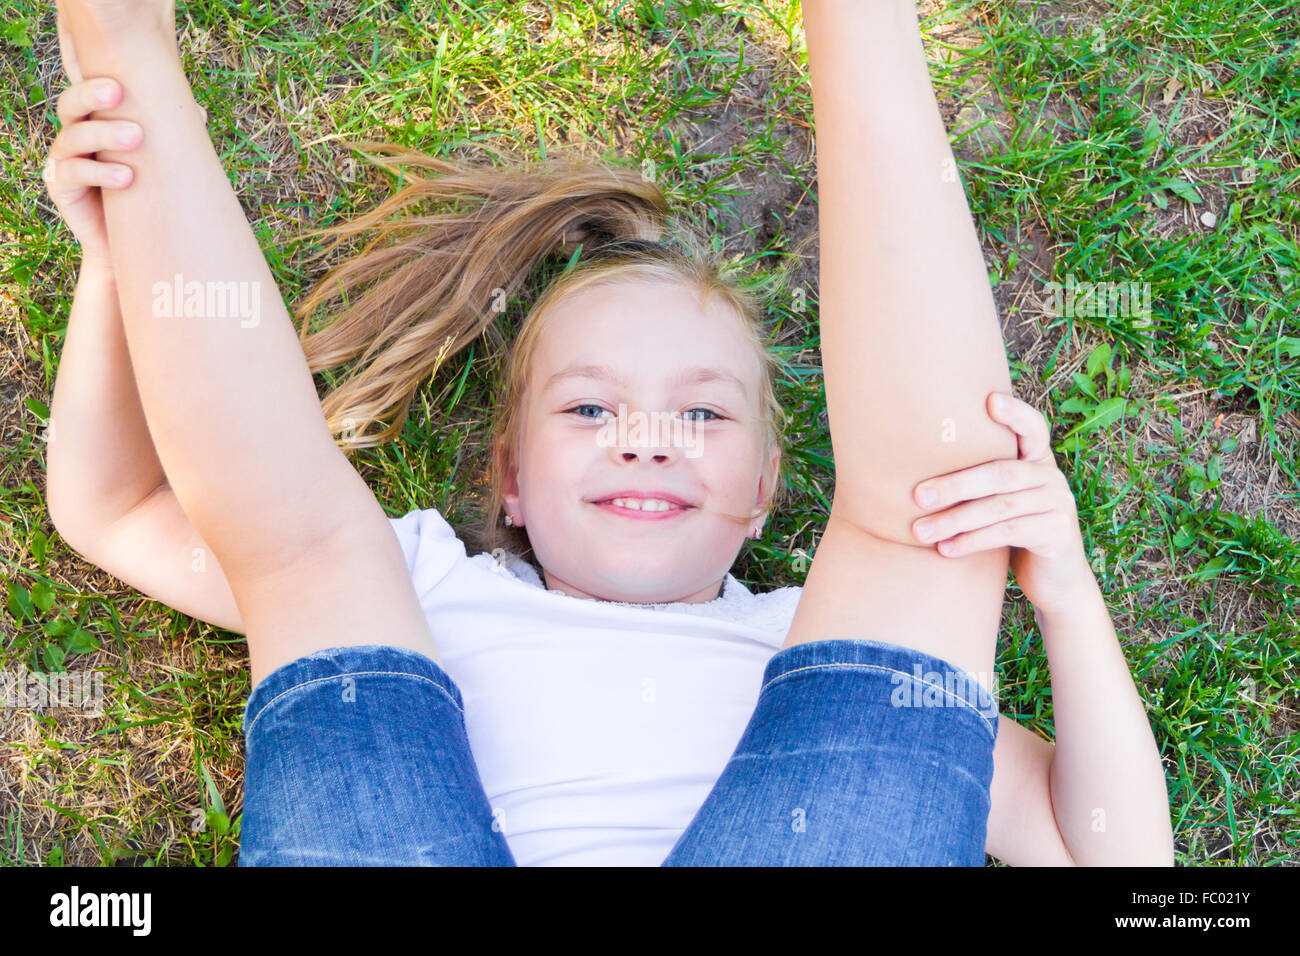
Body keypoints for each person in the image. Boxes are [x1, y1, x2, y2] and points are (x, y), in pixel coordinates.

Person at [42, 0, 1174, 866]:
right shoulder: (427, 580)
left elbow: (1107, 852)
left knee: (934, 529)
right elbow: (118, 510)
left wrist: (1062, 595)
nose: (644, 436)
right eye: (589, 408)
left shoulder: (804, 642)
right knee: (309, 552)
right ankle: (128, 61)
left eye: (702, 411)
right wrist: (121, 258)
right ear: (512, 480)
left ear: (770, 489)